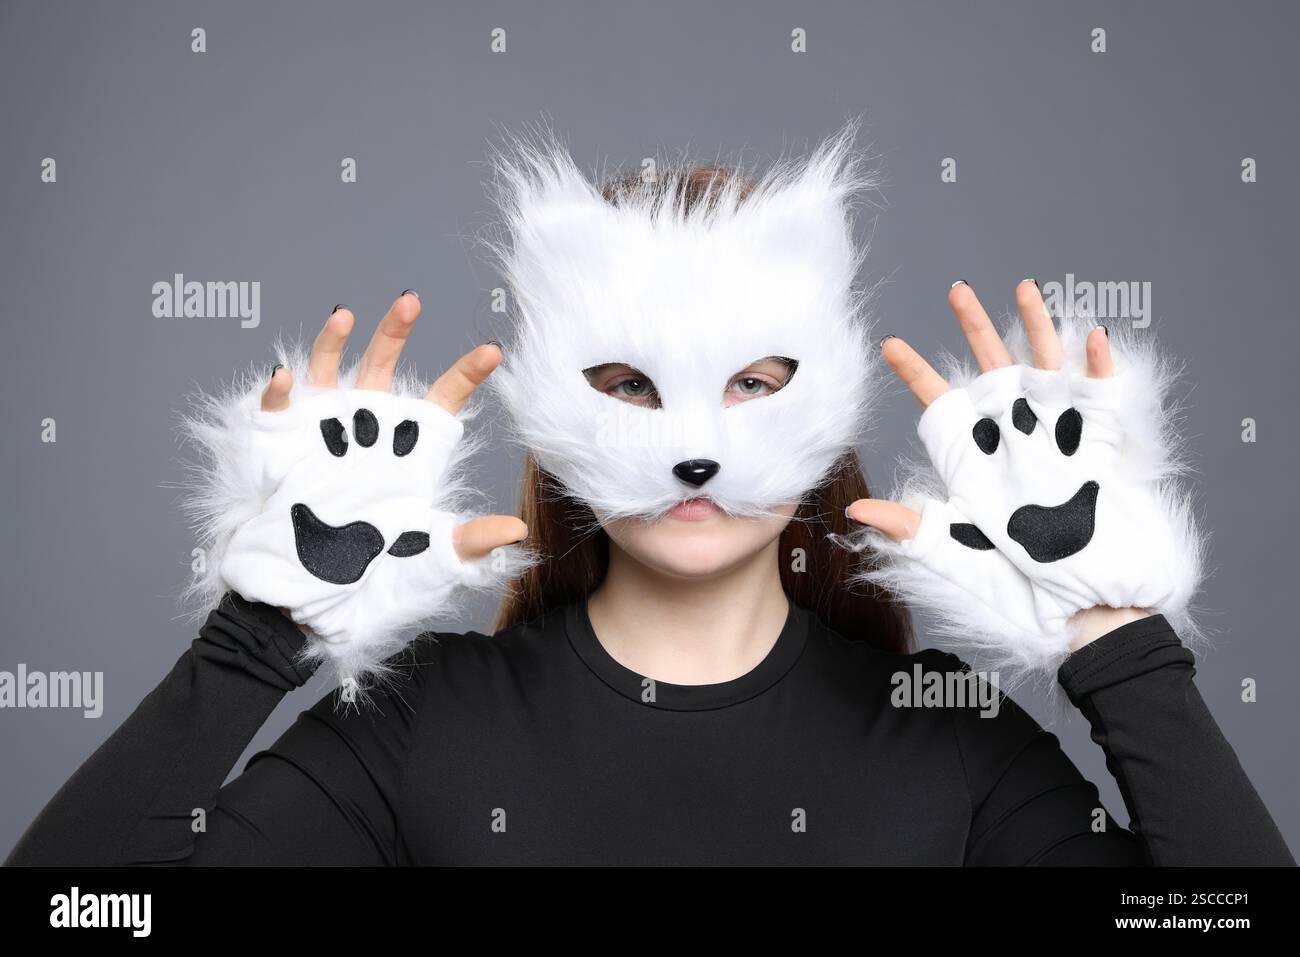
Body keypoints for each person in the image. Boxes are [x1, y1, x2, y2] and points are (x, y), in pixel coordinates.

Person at [5, 129, 1293, 866]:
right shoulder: (424, 728)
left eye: (754, 383)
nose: (694, 445)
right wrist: (266, 622)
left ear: (827, 399)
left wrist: (1111, 630)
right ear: (553, 420)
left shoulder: (943, 737)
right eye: (626, 384)